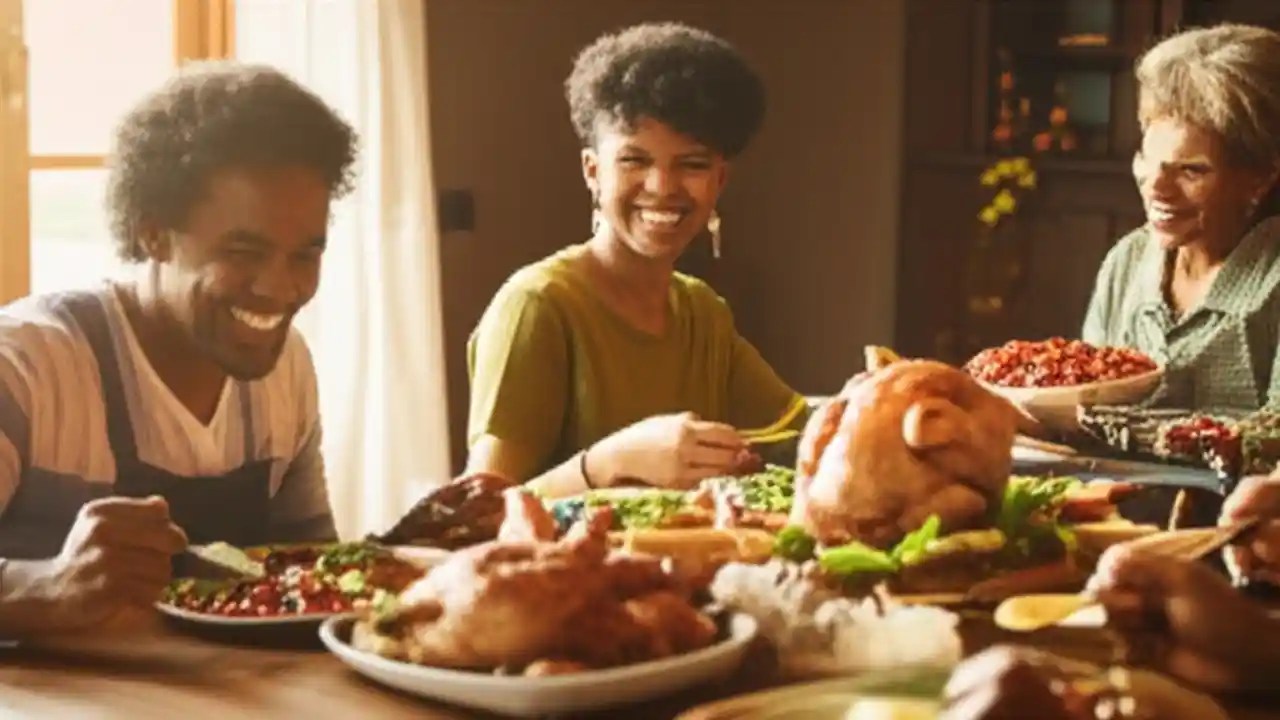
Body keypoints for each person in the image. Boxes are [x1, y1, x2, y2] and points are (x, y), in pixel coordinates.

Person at [0, 61, 357, 635]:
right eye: (243, 252)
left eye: (304, 255)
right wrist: (42, 587)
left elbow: (311, 572)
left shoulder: (285, 367)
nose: (280, 288)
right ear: (153, 233)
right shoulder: (27, 366)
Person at [464, 22, 808, 497]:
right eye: (634, 160)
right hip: (559, 571)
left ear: (720, 180)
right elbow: (477, 517)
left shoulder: (702, 311)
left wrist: (897, 395)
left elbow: (803, 432)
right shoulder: (538, 306)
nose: (662, 187)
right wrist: (606, 462)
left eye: (692, 164)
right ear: (593, 171)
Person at [1082, 24, 1280, 411]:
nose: (1156, 188)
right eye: (1148, 159)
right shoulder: (1127, 261)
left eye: (1191, 171)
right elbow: (1084, 413)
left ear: (1260, 177)